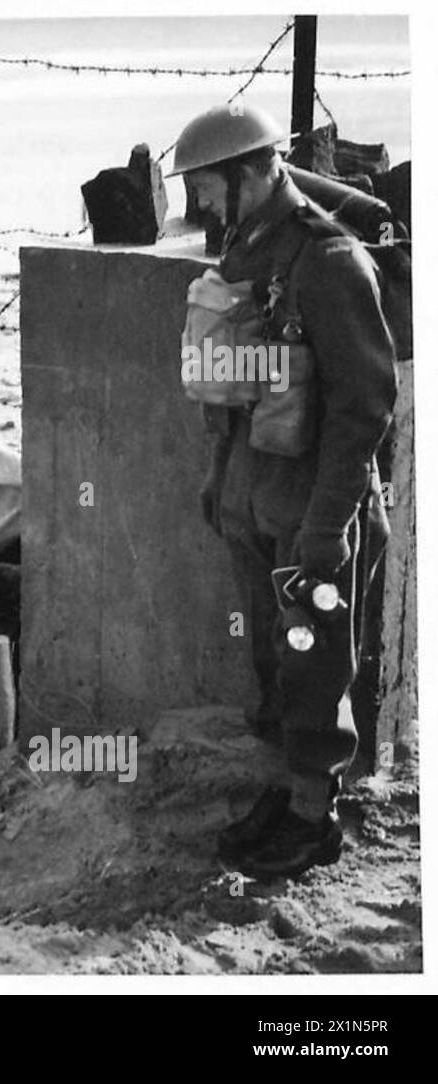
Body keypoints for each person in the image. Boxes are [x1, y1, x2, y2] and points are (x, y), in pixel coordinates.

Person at [168, 104, 397, 878]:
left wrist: (329, 527)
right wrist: (216, 478)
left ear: (252, 173)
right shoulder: (247, 249)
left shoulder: (328, 261)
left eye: (207, 187)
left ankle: (313, 814)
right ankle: (282, 789)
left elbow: (365, 405)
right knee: (272, 653)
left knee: (313, 657)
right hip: (254, 495)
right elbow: (242, 387)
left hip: (311, 509)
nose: (200, 205)